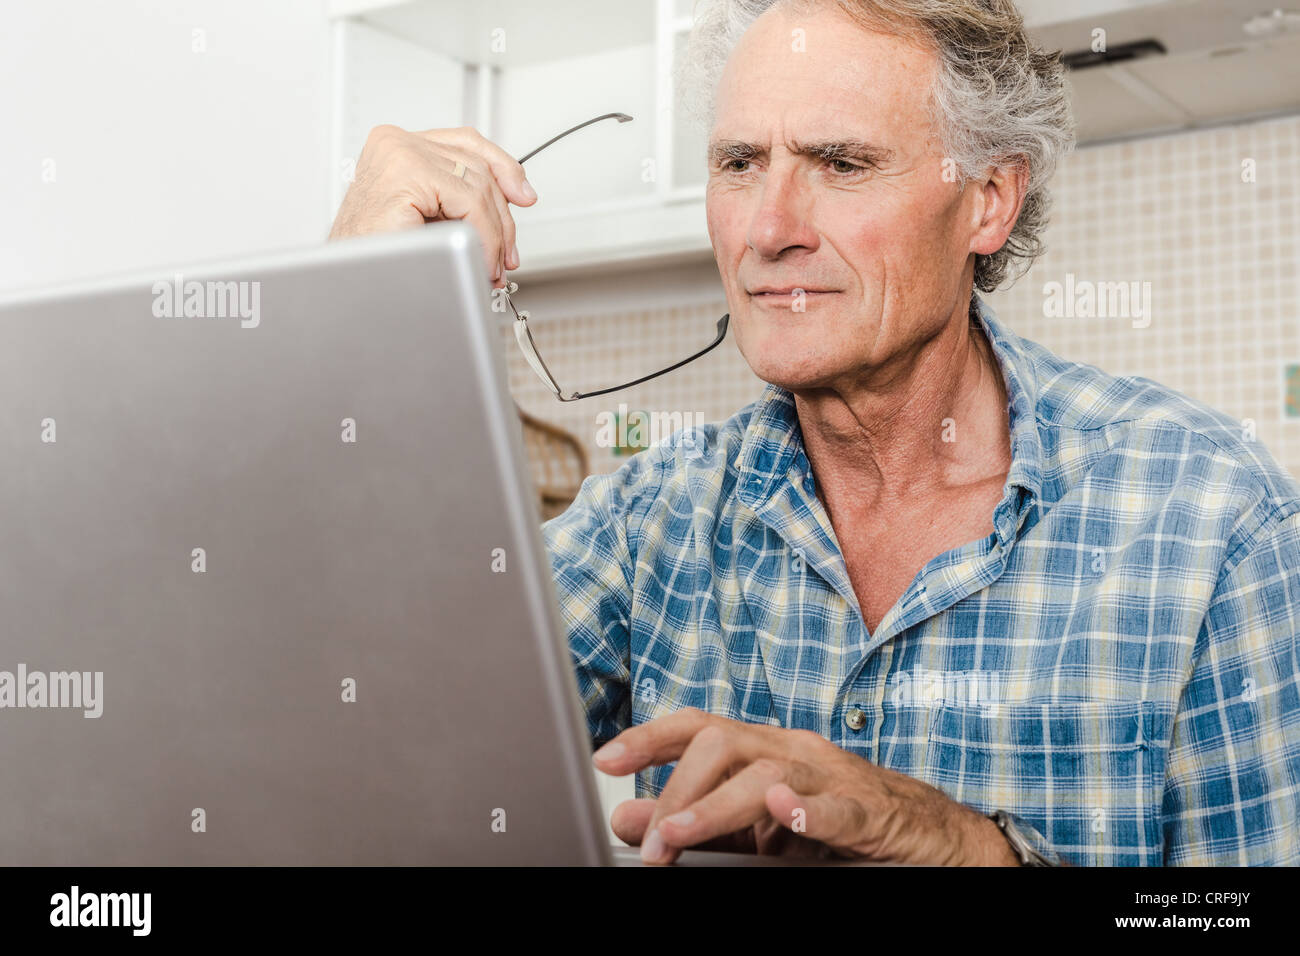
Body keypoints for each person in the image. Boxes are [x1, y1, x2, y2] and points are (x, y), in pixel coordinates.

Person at [328, 0, 1300, 866]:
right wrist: (354, 312)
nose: (768, 225)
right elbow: (366, 744)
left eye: (840, 163)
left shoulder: (1207, 511)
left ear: (987, 200)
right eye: (739, 163)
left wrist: (954, 843)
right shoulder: (649, 516)